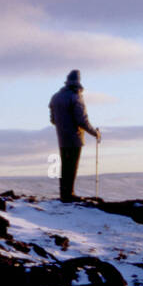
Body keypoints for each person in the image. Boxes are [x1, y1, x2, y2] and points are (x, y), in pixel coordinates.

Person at [48, 69, 100, 203]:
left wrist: (63, 125)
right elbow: (82, 120)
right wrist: (95, 133)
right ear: (78, 81)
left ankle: (64, 193)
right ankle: (69, 194)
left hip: (62, 137)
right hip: (75, 137)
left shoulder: (55, 97)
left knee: (65, 164)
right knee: (72, 165)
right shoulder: (75, 96)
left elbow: (53, 120)